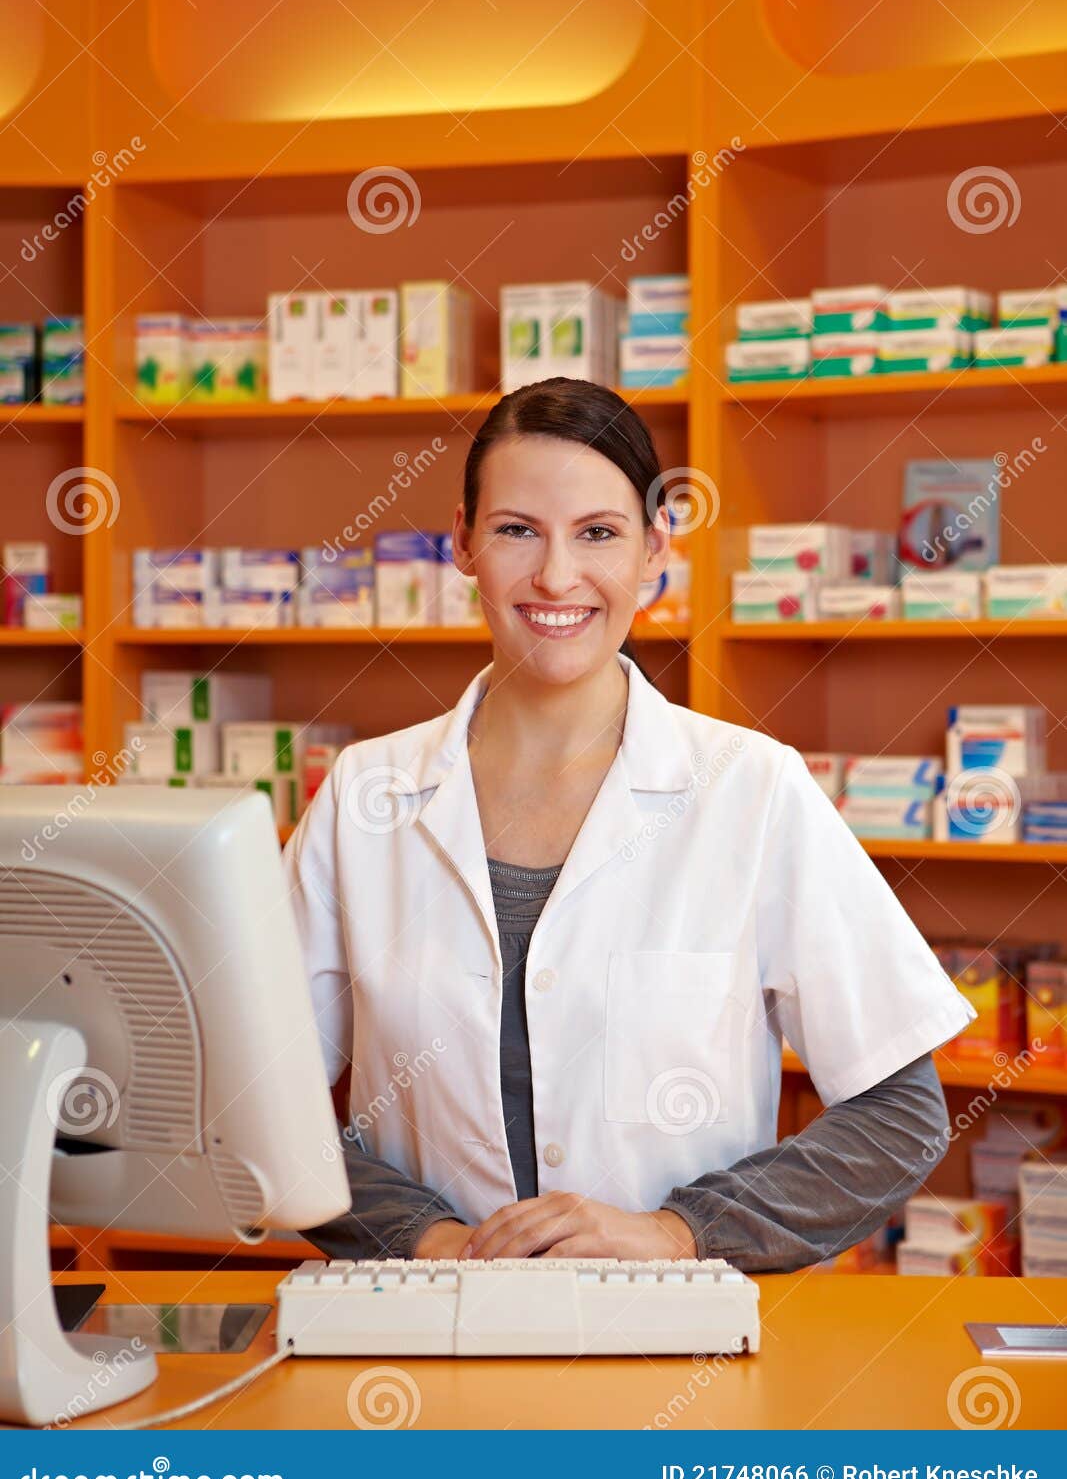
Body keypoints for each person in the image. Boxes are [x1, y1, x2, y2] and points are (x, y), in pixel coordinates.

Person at [282, 377, 973, 1270]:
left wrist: (678, 1233)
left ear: (654, 553)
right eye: (516, 530)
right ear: (461, 543)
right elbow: (261, 1103)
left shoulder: (749, 789)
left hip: (676, 1350)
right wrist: (426, 1239)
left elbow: (899, 1115)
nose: (556, 577)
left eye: (597, 534)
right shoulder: (363, 795)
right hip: (426, 1338)